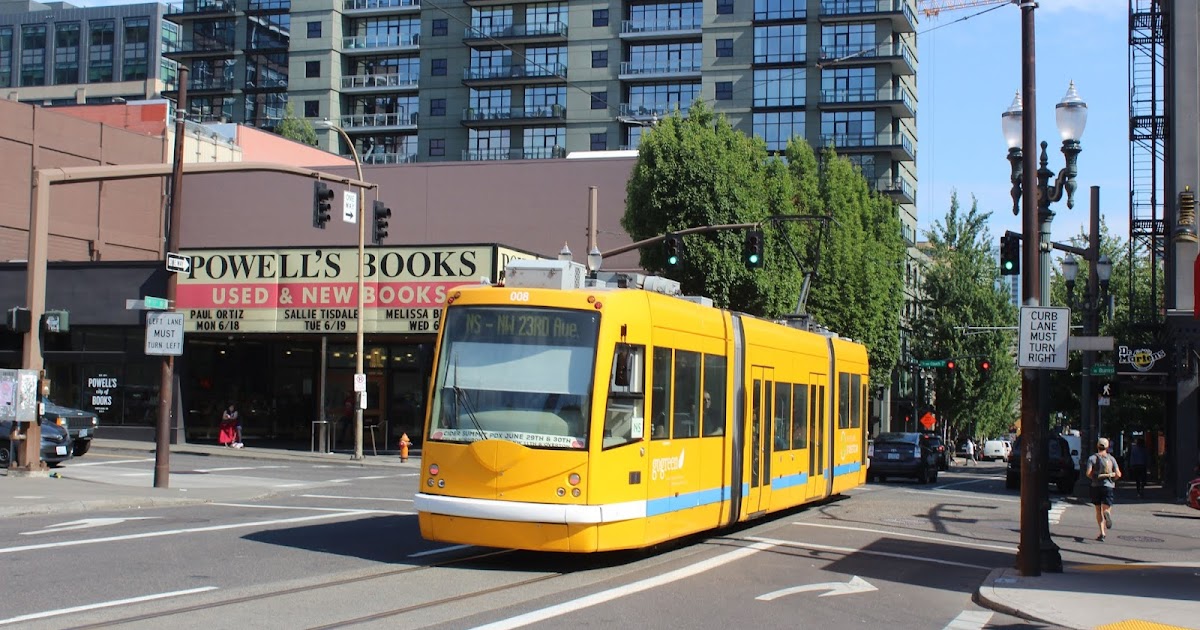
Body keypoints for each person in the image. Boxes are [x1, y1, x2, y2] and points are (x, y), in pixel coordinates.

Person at [1087, 437, 1122, 541]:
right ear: (1107, 447)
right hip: (1108, 486)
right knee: (1106, 507)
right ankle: (1107, 513)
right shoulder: (1111, 459)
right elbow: (1118, 474)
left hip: (1096, 486)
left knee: (1098, 510)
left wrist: (1095, 477)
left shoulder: (1092, 458)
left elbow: (1088, 473)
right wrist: (1112, 478)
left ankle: (1102, 533)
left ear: (1097, 446)